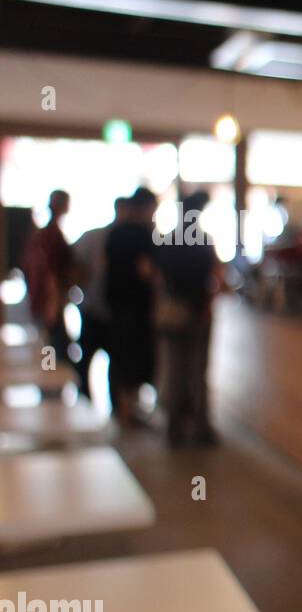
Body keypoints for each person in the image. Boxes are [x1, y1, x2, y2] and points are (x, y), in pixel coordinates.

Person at [156, 190, 219, 446]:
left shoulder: (167, 239)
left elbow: (157, 275)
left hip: (172, 312)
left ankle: (174, 427)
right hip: (196, 314)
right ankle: (199, 427)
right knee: (198, 372)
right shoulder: (203, 240)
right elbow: (211, 278)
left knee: (174, 368)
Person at [104, 187, 159, 425]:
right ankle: (130, 412)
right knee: (135, 358)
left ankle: (121, 408)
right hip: (137, 306)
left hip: (115, 303)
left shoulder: (114, 233)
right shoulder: (144, 234)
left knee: (119, 356)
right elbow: (146, 270)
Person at [71, 196, 129, 400]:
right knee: (86, 358)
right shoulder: (96, 237)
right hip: (95, 308)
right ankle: (84, 400)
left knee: (114, 362)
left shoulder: (101, 237)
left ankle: (104, 404)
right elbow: (73, 266)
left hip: (110, 310)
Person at [21, 190, 73, 357]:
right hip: (49, 302)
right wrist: (52, 302)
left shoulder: (43, 234)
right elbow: (50, 273)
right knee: (51, 352)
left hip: (45, 300)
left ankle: (49, 378)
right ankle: (50, 381)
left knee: (49, 349)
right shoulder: (51, 235)